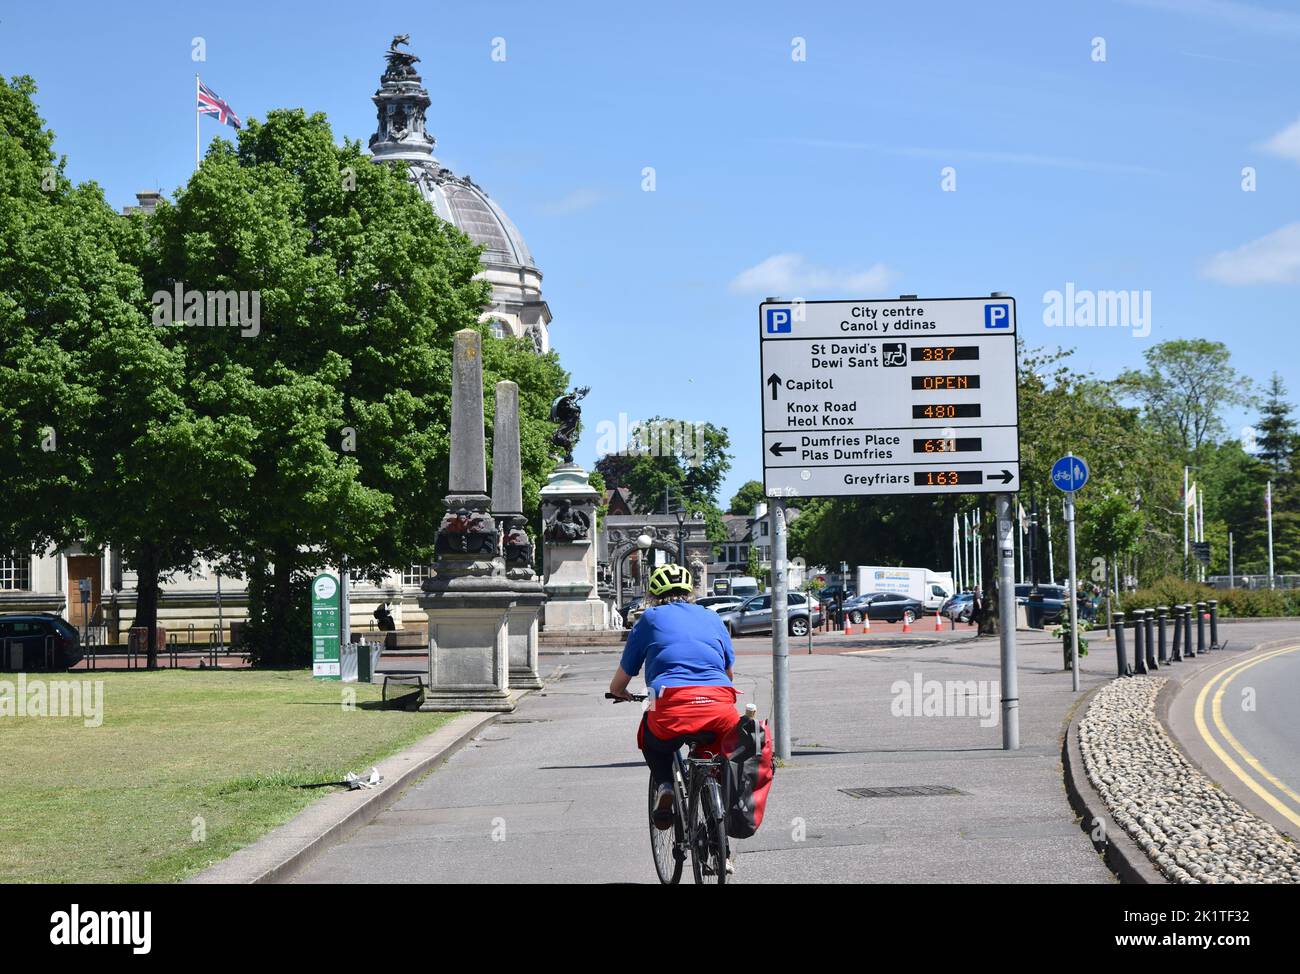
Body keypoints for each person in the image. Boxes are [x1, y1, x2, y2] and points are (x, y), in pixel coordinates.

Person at [608, 563, 738, 831]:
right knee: (714, 749)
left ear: (653, 594)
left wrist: (620, 693)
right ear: (690, 591)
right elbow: (729, 673)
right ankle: (718, 817)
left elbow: (621, 680)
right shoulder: (712, 617)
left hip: (668, 700)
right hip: (719, 702)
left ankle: (666, 783)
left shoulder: (649, 619)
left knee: (650, 738)